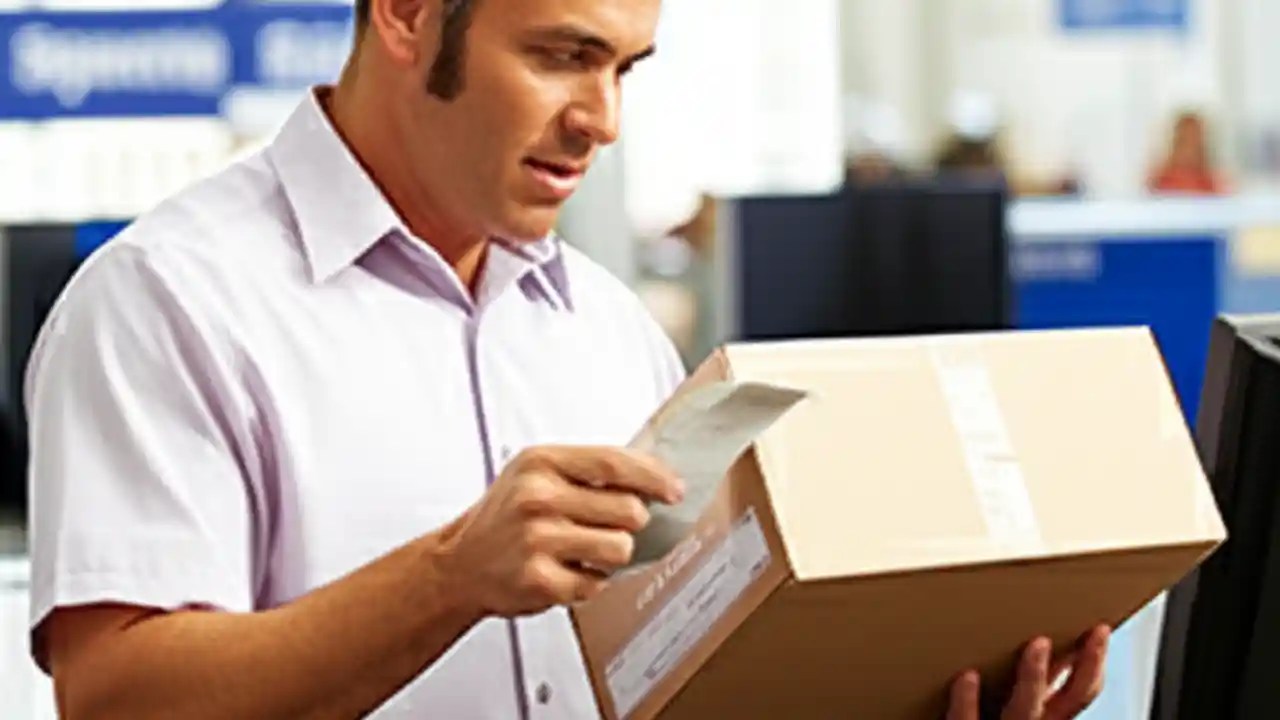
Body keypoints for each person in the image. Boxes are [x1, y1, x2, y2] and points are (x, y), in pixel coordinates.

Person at [25, 0, 1111, 717]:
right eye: (561, 55)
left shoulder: (603, 325)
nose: (601, 120)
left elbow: (668, 676)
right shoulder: (169, 300)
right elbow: (117, 697)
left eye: (625, 68)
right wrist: (449, 578)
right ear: (406, 15)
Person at [1148, 111, 1229, 195]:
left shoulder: (1214, 179)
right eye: (1185, 138)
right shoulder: (1159, 176)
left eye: (1194, 137)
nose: (1190, 143)